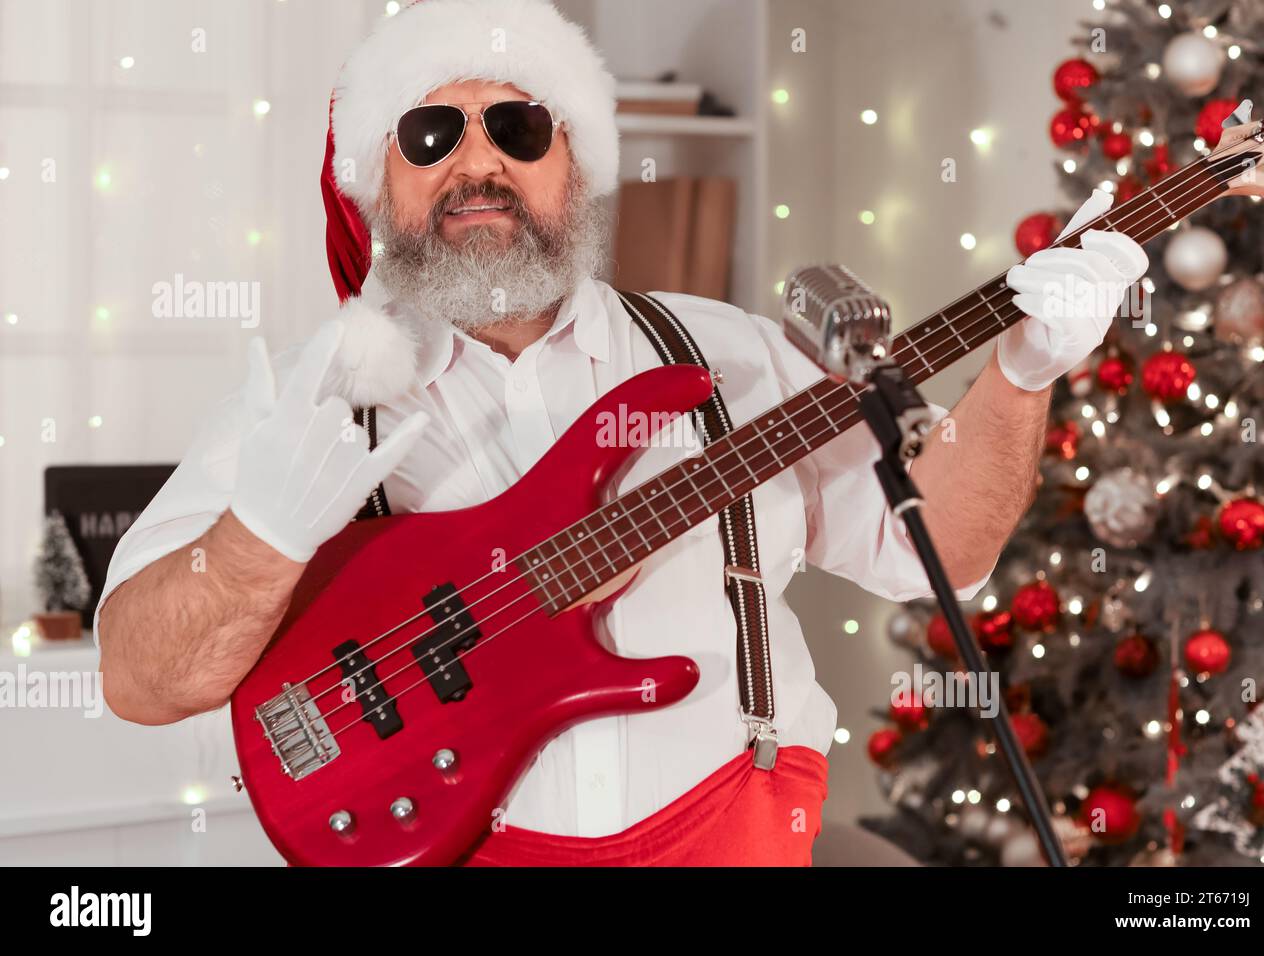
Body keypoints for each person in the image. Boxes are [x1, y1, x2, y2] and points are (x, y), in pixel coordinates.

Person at [95, 0, 1147, 865]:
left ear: (578, 164)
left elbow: (941, 554)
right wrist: (256, 544)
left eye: (518, 127)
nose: (477, 163)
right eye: (429, 131)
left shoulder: (727, 355)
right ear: (379, 180)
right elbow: (140, 681)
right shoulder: (309, 400)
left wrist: (1019, 372)